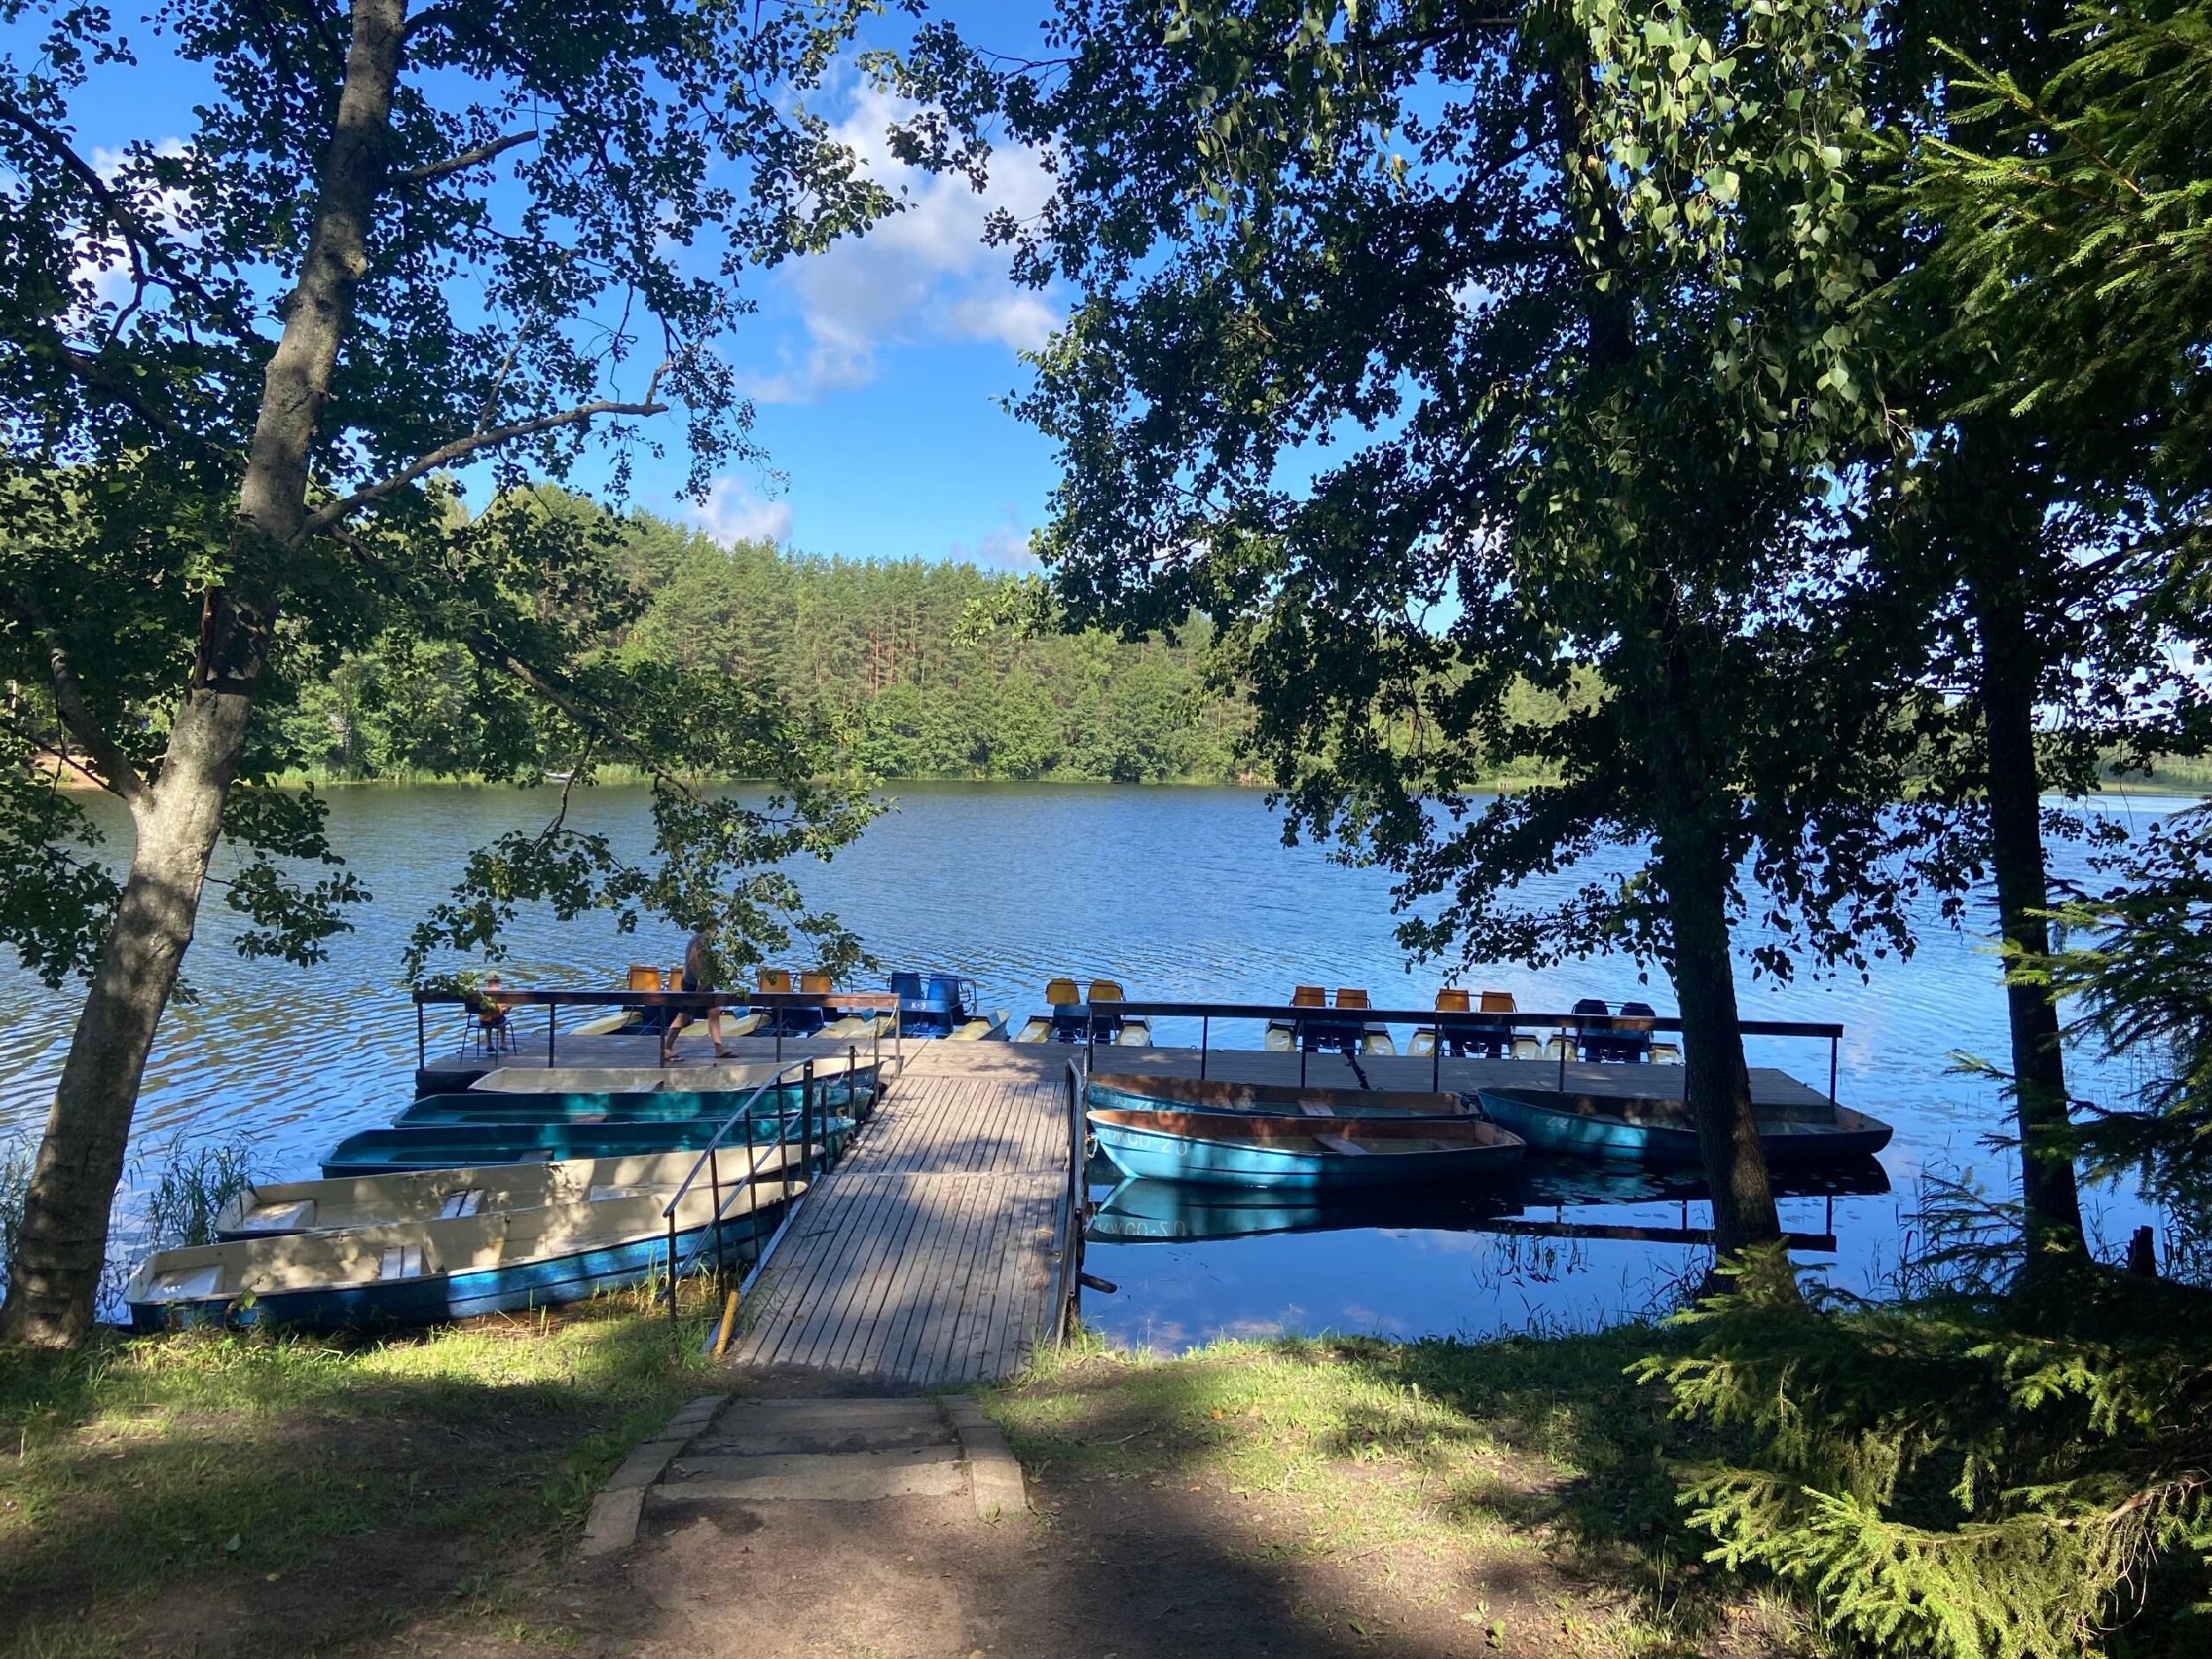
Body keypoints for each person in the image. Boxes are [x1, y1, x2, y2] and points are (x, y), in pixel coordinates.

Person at [661, 926, 737, 1064]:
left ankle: (719, 1048)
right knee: (685, 1014)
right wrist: (700, 979)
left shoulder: (702, 935)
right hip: (695, 982)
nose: (719, 927)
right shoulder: (703, 936)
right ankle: (666, 1049)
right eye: (716, 924)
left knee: (714, 1011)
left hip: (700, 980)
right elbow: (693, 958)